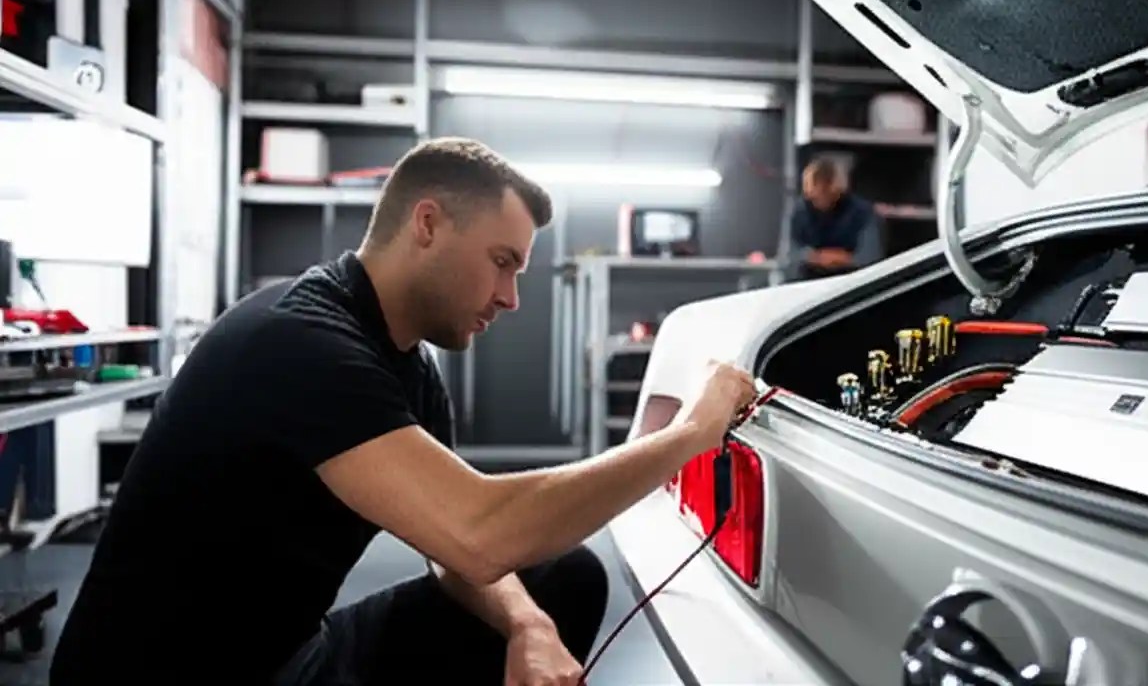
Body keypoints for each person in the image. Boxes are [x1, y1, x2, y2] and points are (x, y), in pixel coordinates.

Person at [50, 138, 757, 686]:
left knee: (560, 582)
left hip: (292, 658)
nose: (511, 296)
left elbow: (452, 552)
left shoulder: (405, 364)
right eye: (502, 261)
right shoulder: (301, 344)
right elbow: (480, 532)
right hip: (163, 679)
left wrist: (527, 625)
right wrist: (690, 433)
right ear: (427, 224)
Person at [786, 156, 883, 281]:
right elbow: (789, 255)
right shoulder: (800, 211)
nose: (820, 200)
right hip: (809, 281)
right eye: (814, 197)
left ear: (837, 190)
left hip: (851, 281)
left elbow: (871, 257)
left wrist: (842, 259)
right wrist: (816, 257)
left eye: (825, 192)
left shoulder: (863, 213)